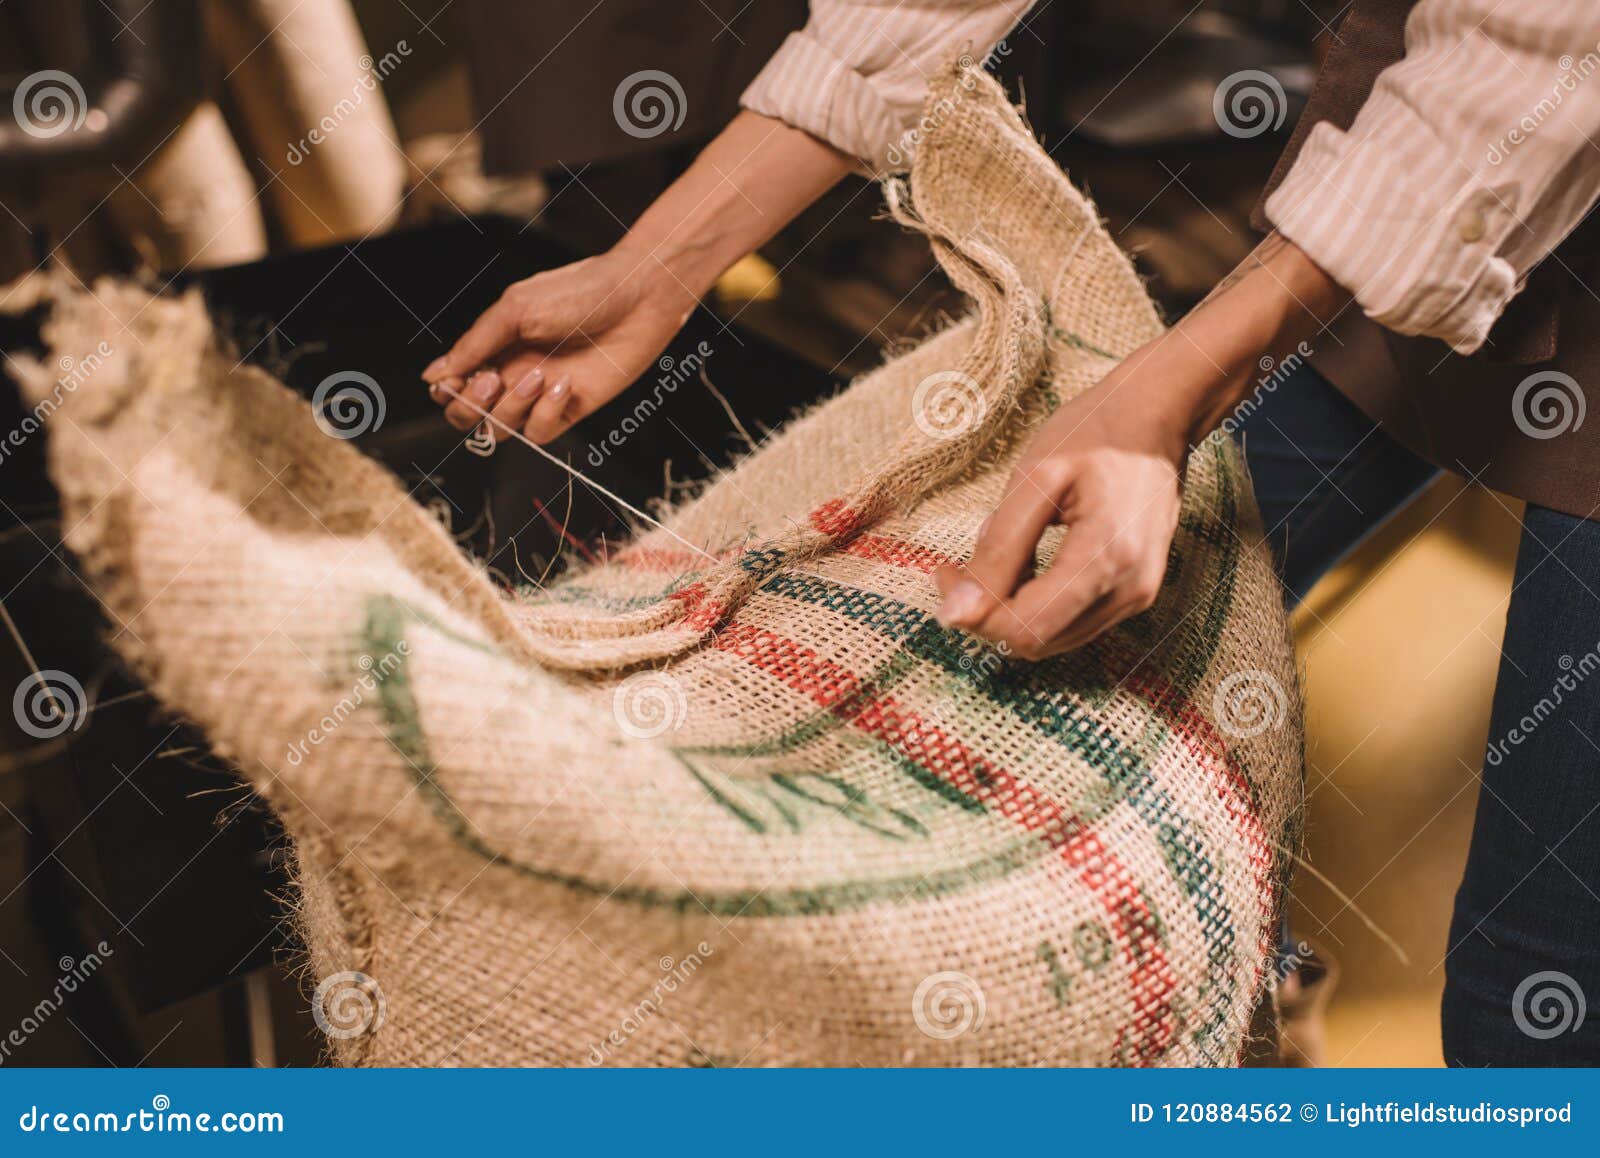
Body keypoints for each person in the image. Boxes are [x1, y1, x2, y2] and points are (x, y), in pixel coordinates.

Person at [424, 0, 1600, 1065]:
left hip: (1508, 109)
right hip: (1424, 144)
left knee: (1527, 991)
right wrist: (656, 267)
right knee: (1038, 660)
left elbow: (1533, 52)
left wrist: (1171, 388)